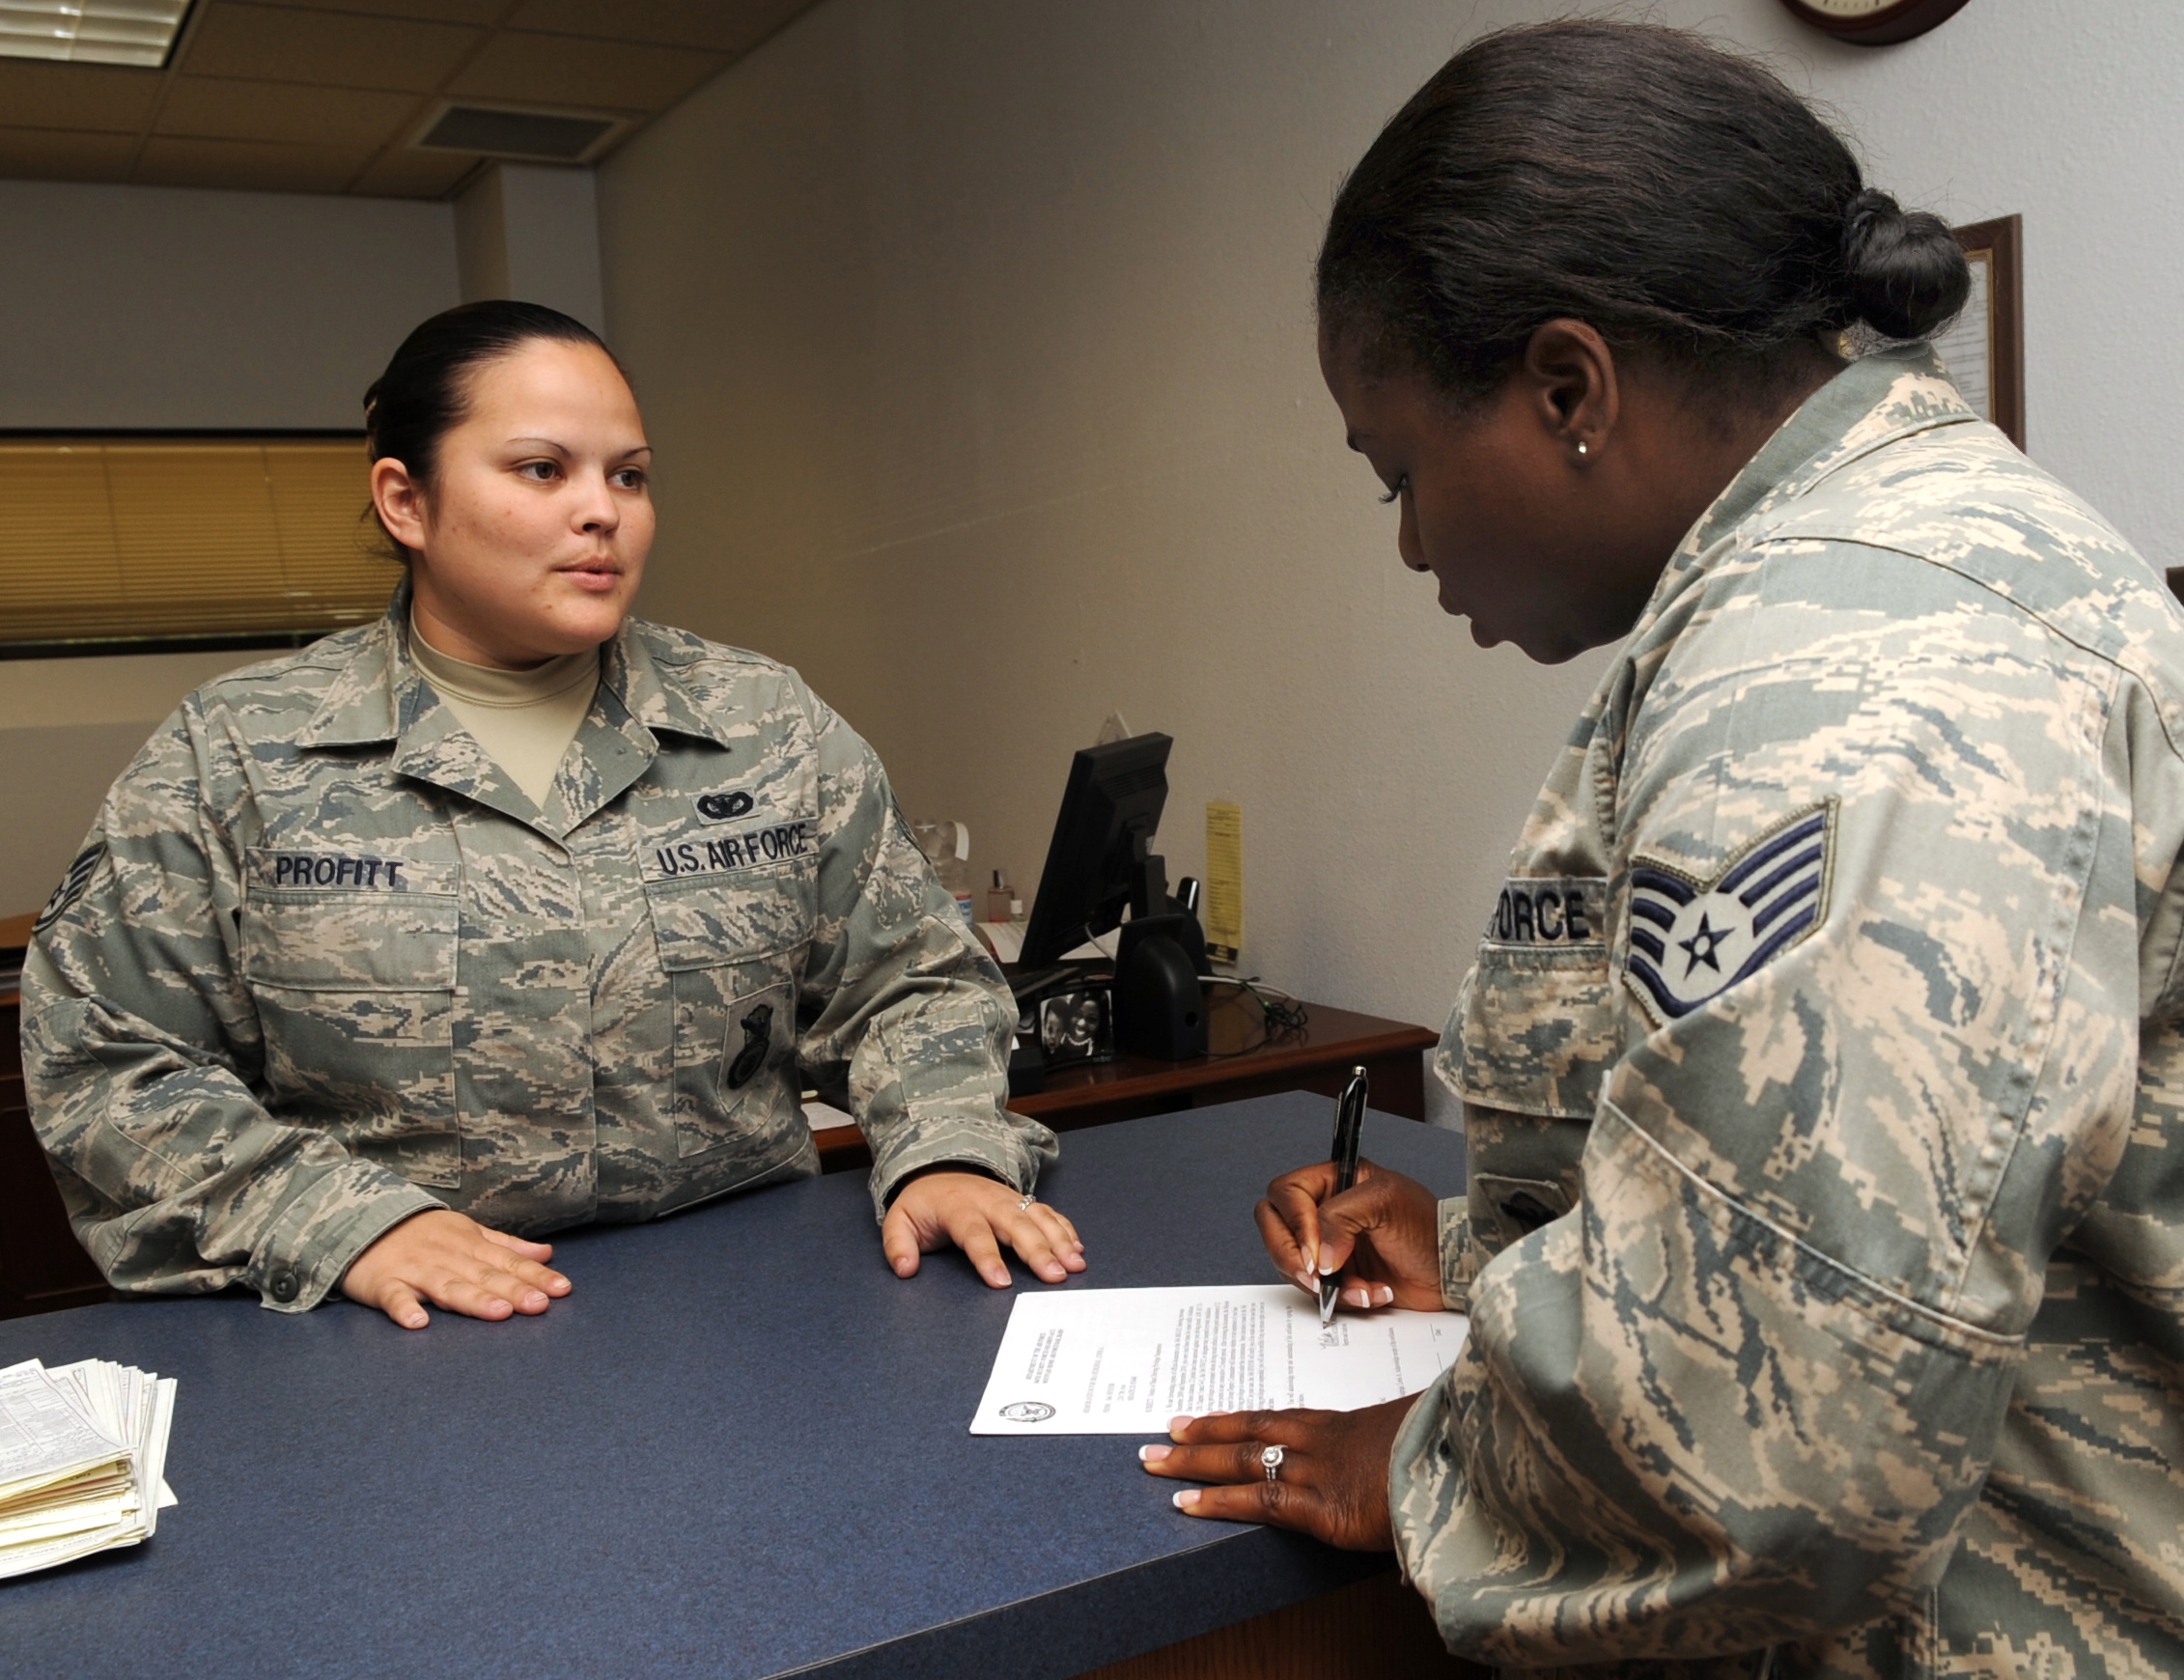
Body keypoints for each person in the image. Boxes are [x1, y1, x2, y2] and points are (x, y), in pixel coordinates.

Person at [1137, 21, 2184, 1677]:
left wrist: (1419, 1472)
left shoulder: (1850, 669)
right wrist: (1487, 1247)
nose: (1407, 540)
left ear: (1567, 386)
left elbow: (1780, 1446)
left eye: (1398, 470)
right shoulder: (1809, 592)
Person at [21, 300, 1084, 1330]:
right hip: (396, 1333)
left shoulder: (762, 723)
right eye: (543, 469)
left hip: (751, 1316)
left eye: (629, 475)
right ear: (406, 502)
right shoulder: (238, 754)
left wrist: (945, 1151)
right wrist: (339, 1222)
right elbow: (106, 1054)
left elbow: (913, 980)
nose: (603, 510)